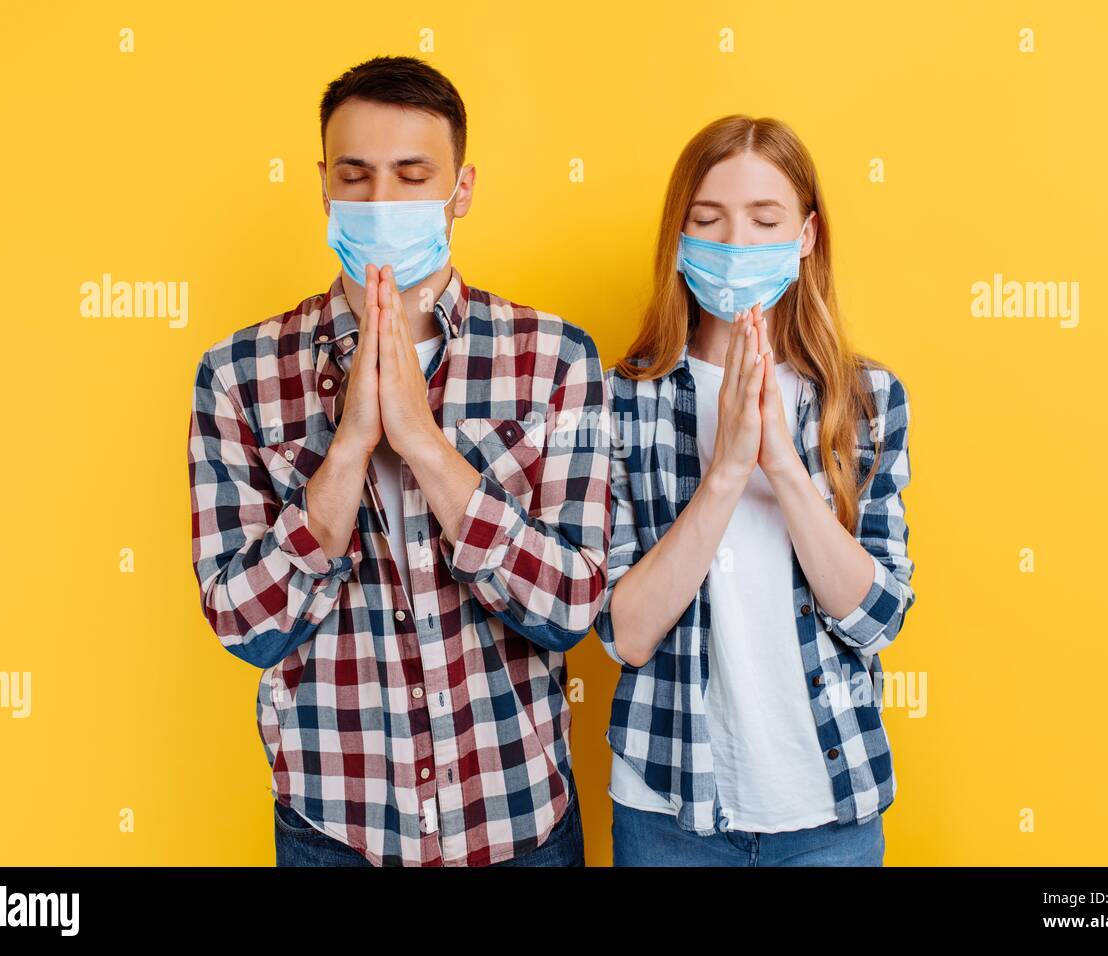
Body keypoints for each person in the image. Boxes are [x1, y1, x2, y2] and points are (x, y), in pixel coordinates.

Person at [187, 55, 610, 867]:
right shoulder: (236, 374)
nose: (382, 201)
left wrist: (422, 442)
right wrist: (347, 450)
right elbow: (246, 625)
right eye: (357, 175)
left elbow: (570, 605)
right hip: (335, 828)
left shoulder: (554, 359)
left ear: (462, 189)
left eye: (413, 175)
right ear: (322, 186)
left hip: (518, 824)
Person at [595, 114, 915, 867]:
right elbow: (625, 632)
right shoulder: (618, 401)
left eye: (764, 220)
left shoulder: (866, 399)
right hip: (667, 808)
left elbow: (877, 618)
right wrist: (727, 471)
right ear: (678, 238)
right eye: (708, 220)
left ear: (806, 237)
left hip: (831, 809)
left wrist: (784, 467)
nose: (736, 244)